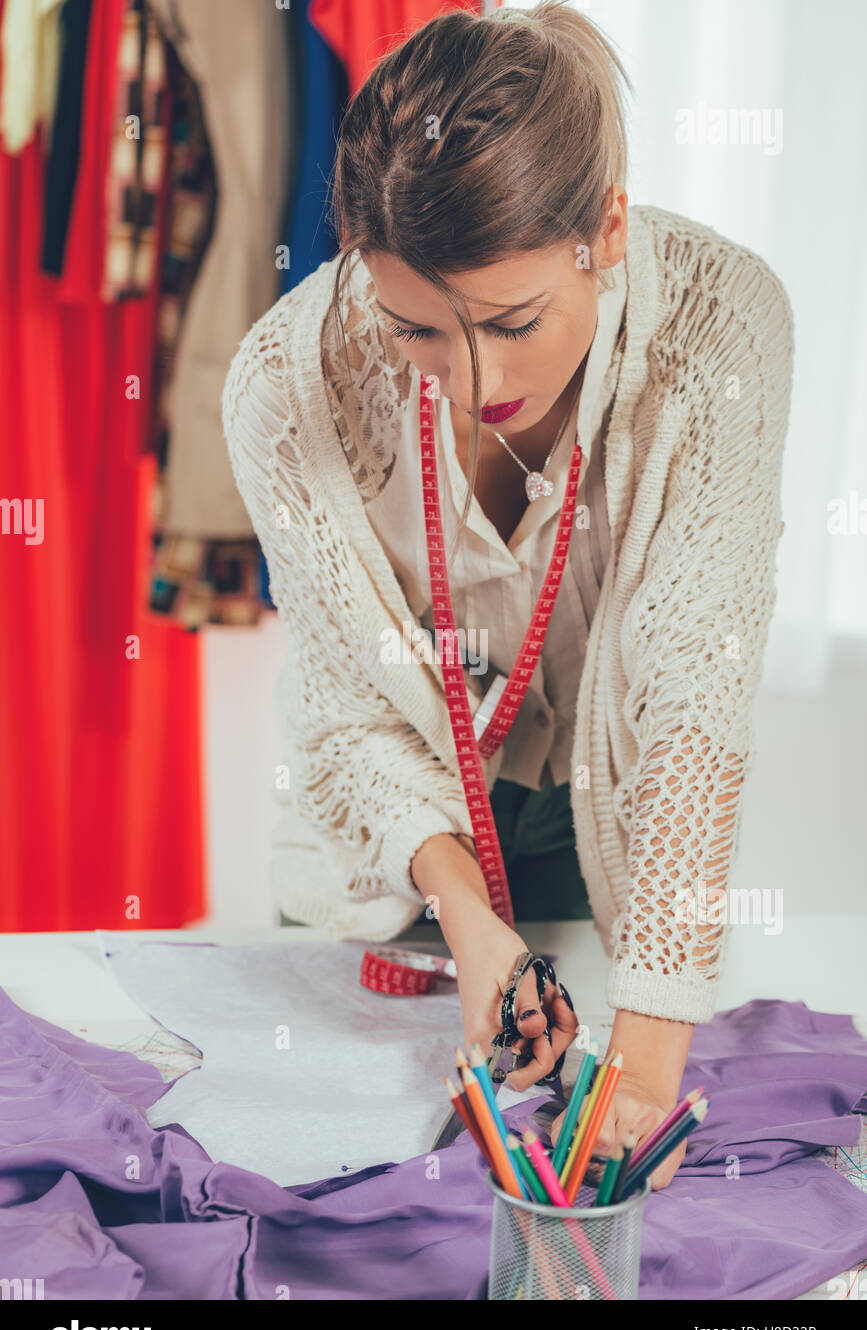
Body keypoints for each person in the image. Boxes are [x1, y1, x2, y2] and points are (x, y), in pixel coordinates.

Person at [222, 1, 794, 1190]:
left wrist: (641, 1065)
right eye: (417, 329)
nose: (473, 380)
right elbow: (348, 706)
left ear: (609, 227)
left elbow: (697, 687)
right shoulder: (287, 382)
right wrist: (472, 924)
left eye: (516, 322)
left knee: (602, 1199)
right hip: (393, 852)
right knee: (353, 1200)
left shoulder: (724, 324)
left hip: (607, 825)